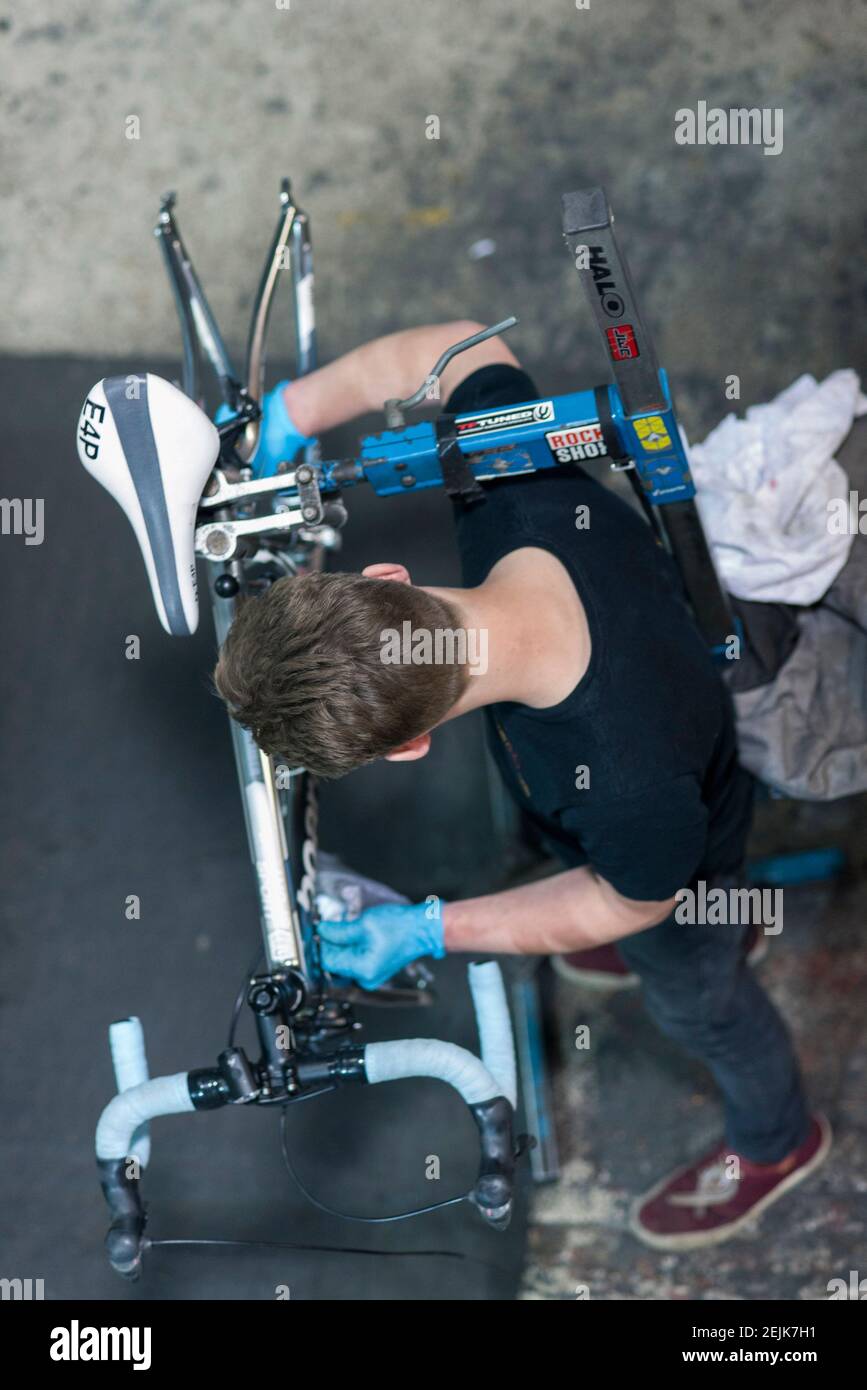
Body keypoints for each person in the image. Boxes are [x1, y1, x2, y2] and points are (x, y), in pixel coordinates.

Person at [213, 321, 831, 1250]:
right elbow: (461, 346)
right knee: (593, 870)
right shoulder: (506, 476)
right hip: (653, 717)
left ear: (410, 744)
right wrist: (294, 415)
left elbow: (627, 900)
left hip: (678, 864)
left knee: (695, 995)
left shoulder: (625, 787)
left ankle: (780, 1141)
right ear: (387, 574)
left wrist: (432, 927)